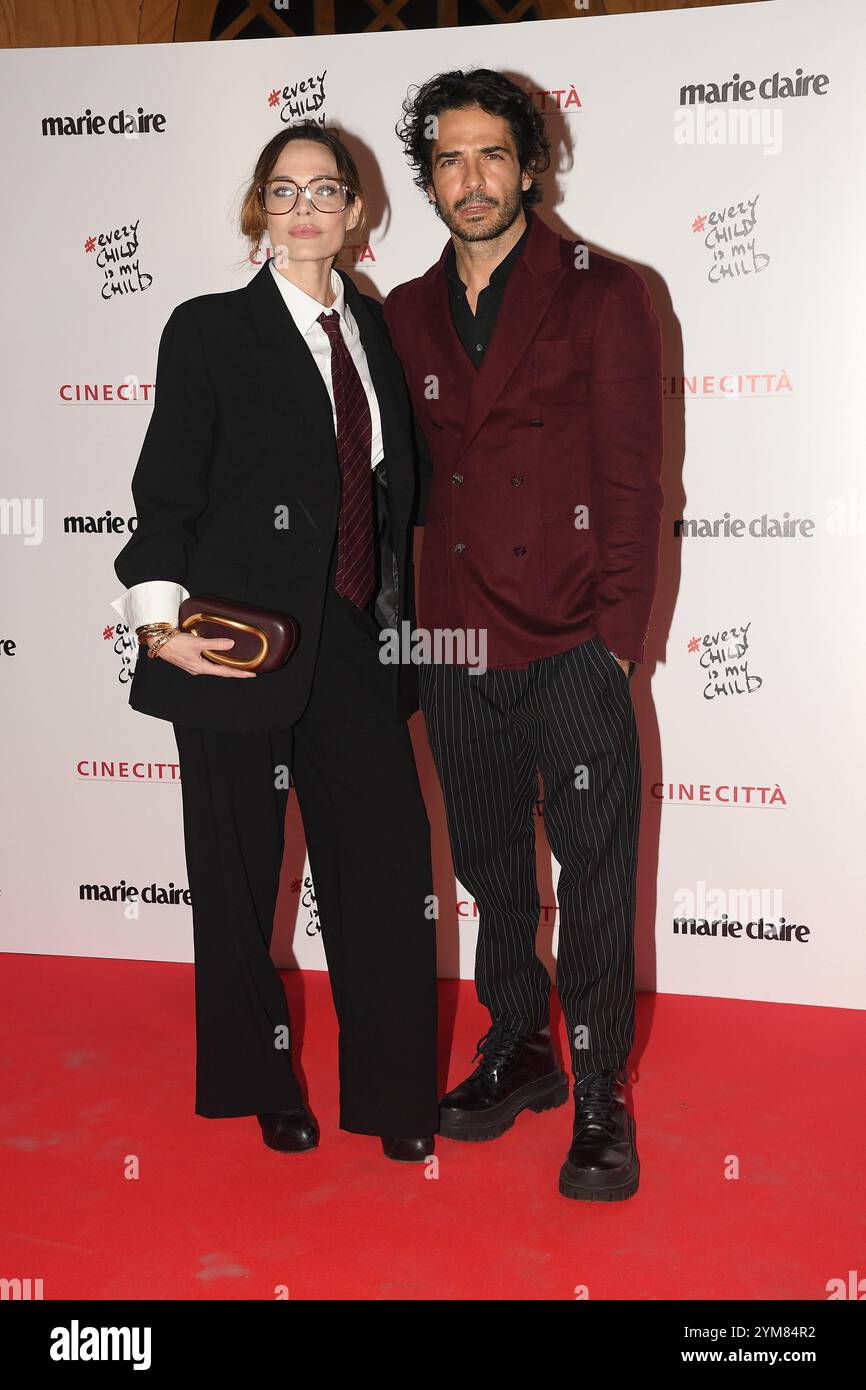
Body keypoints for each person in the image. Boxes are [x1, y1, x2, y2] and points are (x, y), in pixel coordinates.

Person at [110, 120, 438, 1162]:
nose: (305, 206)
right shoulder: (206, 329)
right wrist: (158, 619)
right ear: (261, 208)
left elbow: (393, 492)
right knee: (239, 884)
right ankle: (264, 1084)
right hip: (232, 648)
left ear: (355, 210)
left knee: (384, 872)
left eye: (325, 189)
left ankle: (393, 1099)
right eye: (283, 189)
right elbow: (165, 487)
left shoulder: (375, 332)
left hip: (349, 640)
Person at [384, 70, 664, 1199]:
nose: (470, 178)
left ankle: (598, 1097)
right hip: (452, 643)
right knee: (493, 869)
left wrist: (615, 644)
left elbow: (634, 483)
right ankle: (519, 1046)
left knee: (593, 883)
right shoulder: (400, 310)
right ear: (429, 179)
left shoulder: (606, 292)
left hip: (568, 641)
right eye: (448, 158)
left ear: (529, 164)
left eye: (490, 154)